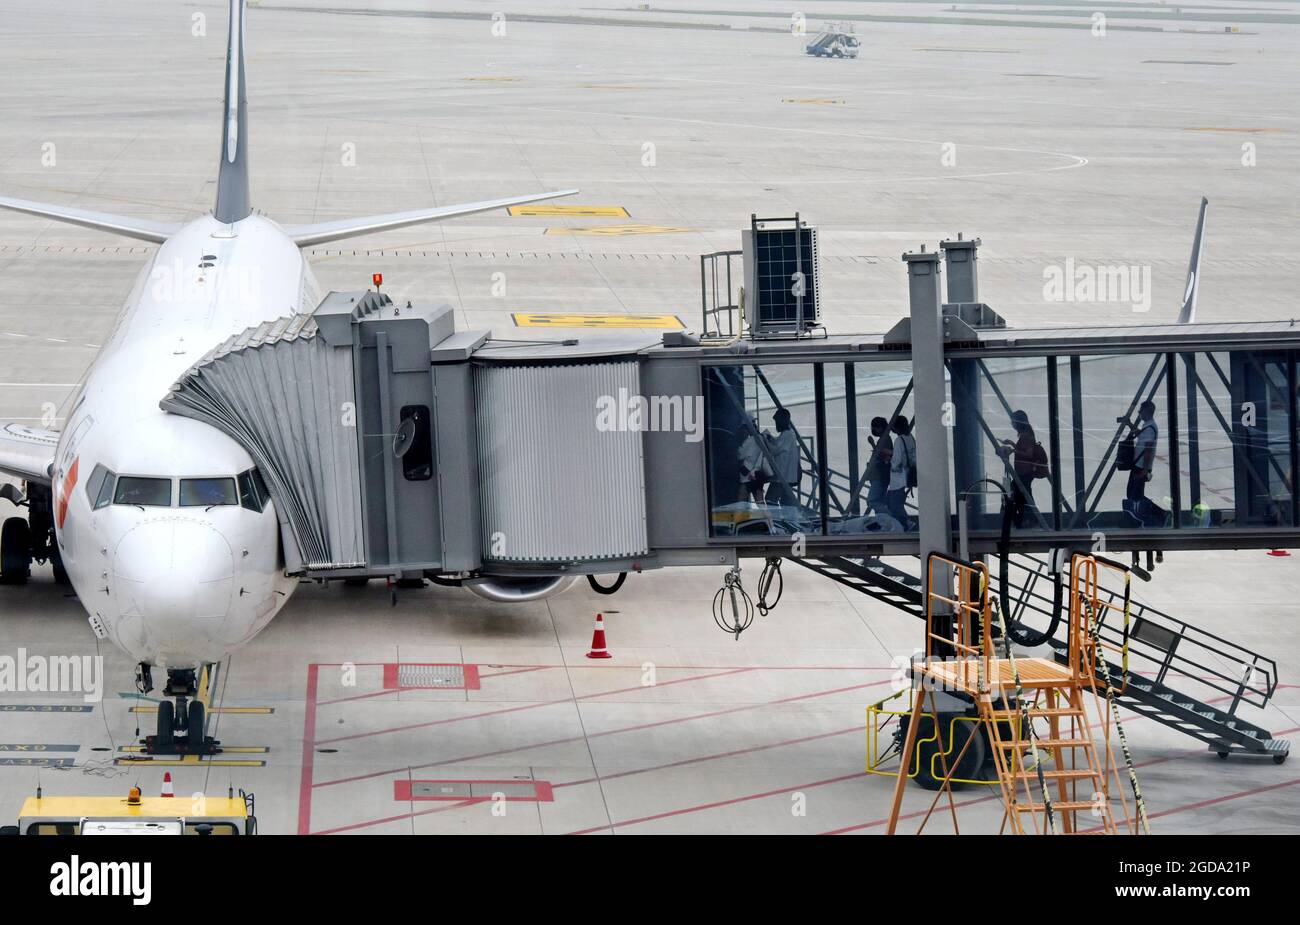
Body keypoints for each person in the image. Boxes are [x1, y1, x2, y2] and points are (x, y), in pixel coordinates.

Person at [997, 409, 1044, 528]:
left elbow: (1028, 454)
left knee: (1021, 494)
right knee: (1024, 495)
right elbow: (1025, 450)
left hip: (1025, 471)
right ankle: (1027, 519)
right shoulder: (1027, 434)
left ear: (1018, 422)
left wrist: (1013, 450)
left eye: (1013, 421)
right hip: (1025, 471)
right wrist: (1013, 444)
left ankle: (1026, 519)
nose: (1012, 424)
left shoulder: (1025, 436)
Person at [1124, 400, 1159, 524]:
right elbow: (1140, 434)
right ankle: (1144, 517)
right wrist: (1129, 424)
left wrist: (1144, 470)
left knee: (1134, 495)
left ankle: (1160, 514)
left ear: (1146, 411)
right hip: (1138, 466)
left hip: (1141, 467)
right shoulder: (1148, 426)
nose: (1139, 413)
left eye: (1140, 411)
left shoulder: (1150, 428)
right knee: (1134, 494)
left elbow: (1148, 451)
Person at [766, 408, 801, 508]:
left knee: (770, 500)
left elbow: (775, 450)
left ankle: (775, 520)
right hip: (785, 476)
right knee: (787, 502)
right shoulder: (788, 434)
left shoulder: (788, 435)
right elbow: (779, 443)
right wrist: (771, 438)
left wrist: (765, 440)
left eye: (777, 422)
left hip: (782, 476)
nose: (776, 424)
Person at [886, 415, 915, 530]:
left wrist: (889, 460)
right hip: (908, 474)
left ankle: (906, 524)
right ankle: (905, 523)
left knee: (894, 505)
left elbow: (897, 460)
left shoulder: (899, 440)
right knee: (895, 503)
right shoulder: (910, 437)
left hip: (898, 477)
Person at [736, 420, 770, 503]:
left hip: (747, 477)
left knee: (741, 504)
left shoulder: (749, 441)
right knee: (760, 504)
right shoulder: (762, 438)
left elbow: (740, 455)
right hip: (758, 475)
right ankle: (766, 516)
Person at [865, 416, 893, 515]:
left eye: (874, 427)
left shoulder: (885, 439)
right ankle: (884, 521)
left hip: (879, 475)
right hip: (882, 475)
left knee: (872, 500)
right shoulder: (885, 439)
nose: (873, 430)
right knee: (880, 501)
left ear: (880, 427)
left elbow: (884, 455)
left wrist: (872, 444)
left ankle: (890, 517)